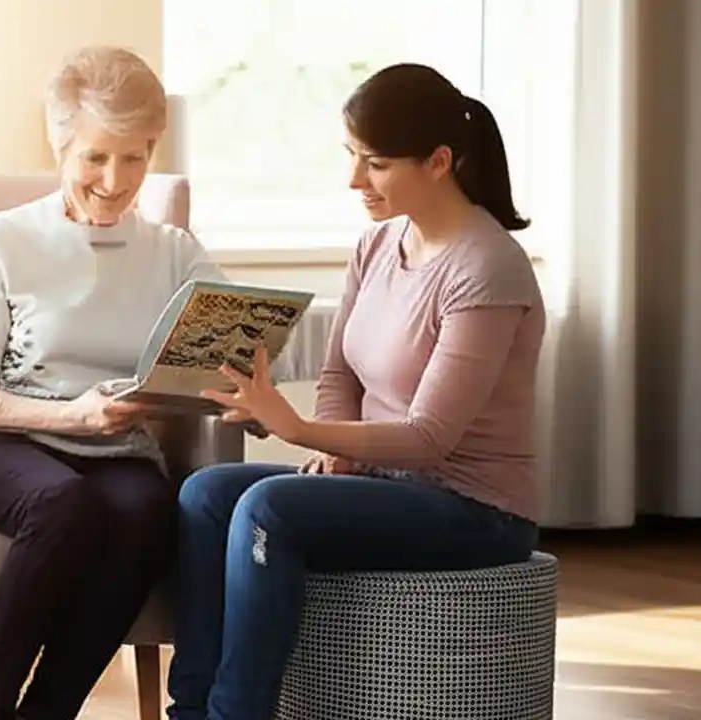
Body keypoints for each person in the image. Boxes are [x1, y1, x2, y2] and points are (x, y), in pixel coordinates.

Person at [165, 63, 547, 720]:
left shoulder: (488, 269)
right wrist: (335, 451)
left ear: (438, 162)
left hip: (474, 509)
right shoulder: (377, 245)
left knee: (268, 510)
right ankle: (190, 710)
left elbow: (430, 439)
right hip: (384, 486)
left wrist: (296, 429)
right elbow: (341, 373)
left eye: (374, 163)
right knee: (205, 494)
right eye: (351, 157)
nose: (353, 180)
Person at [0, 45, 224, 720]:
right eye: (95, 156)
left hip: (118, 452)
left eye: (135, 157)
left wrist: (241, 393)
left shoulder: (175, 252)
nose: (116, 180)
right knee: (64, 503)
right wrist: (73, 418)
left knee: (150, 512)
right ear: (60, 144)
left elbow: (239, 344)